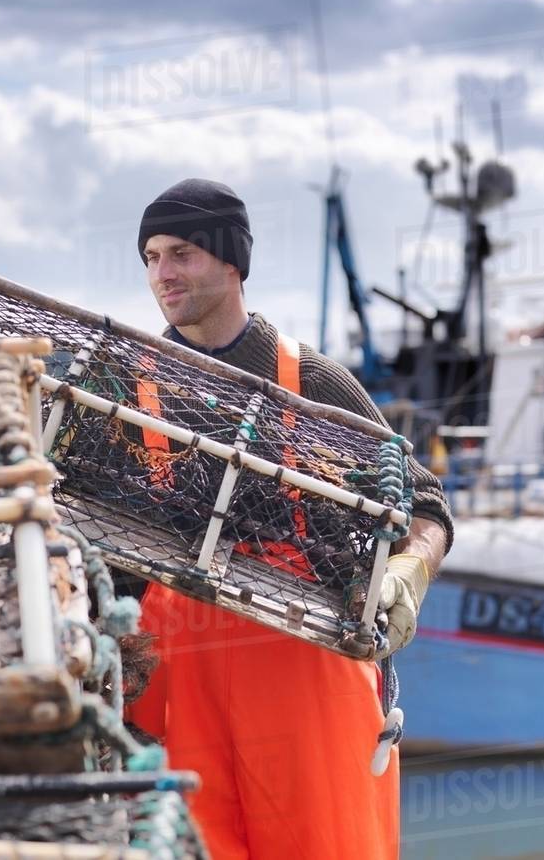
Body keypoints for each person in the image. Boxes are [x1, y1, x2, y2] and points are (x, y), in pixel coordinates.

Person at [124, 178, 453, 860]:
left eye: (181, 252)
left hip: (305, 682)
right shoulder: (129, 387)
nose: (163, 273)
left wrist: (407, 574)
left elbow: (426, 503)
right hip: (179, 691)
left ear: (232, 260)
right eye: (151, 257)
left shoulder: (312, 382)